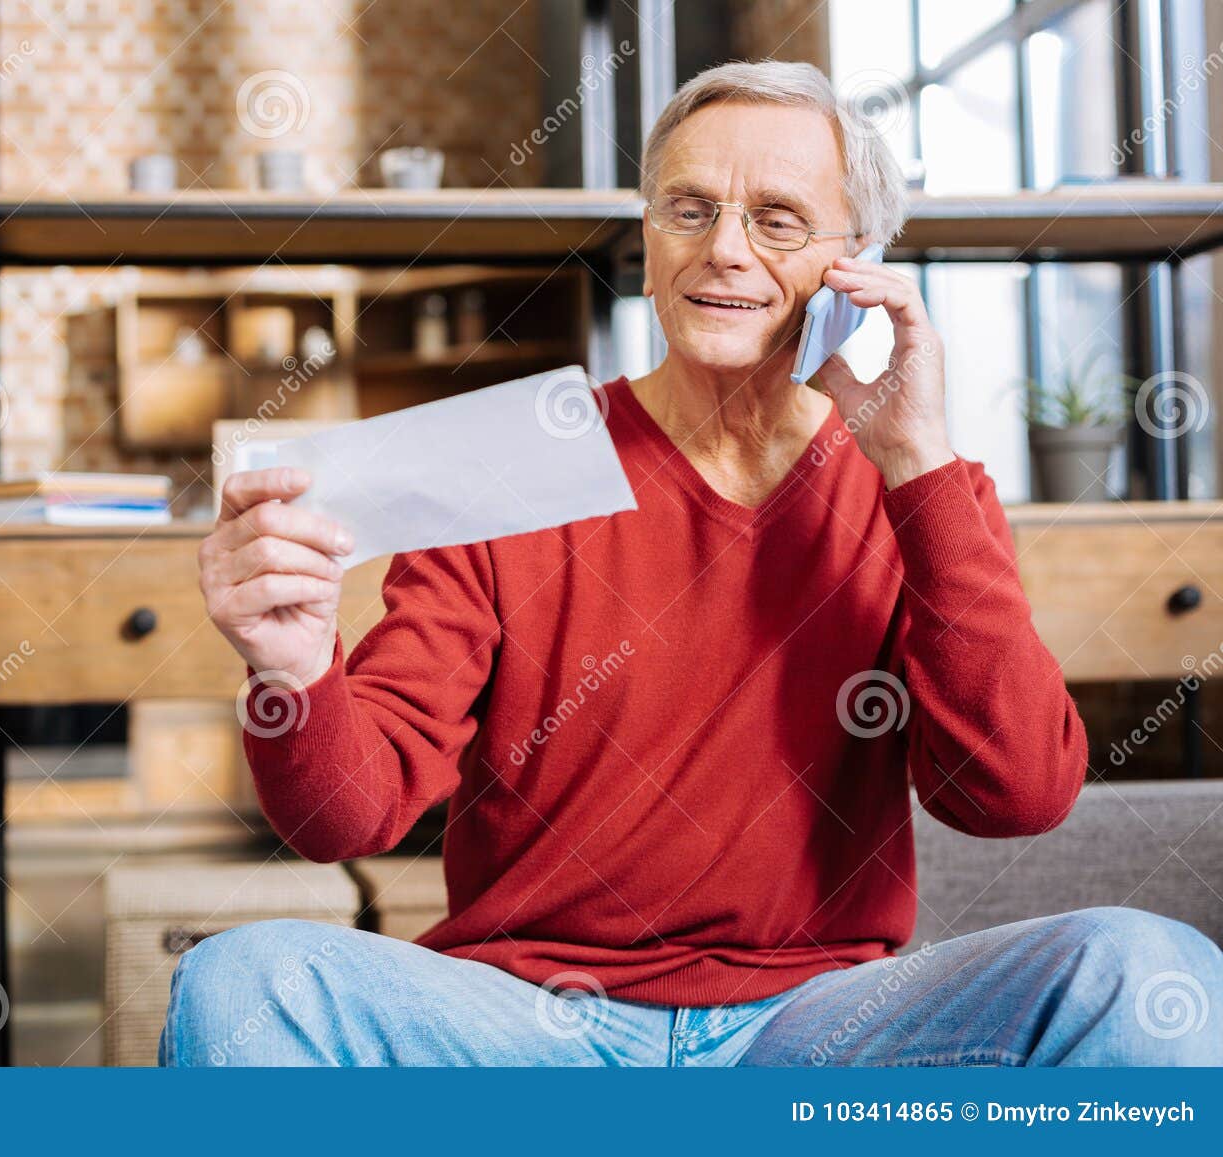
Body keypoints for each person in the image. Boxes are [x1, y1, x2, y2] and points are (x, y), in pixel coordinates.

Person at [169, 59, 1223, 1066]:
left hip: (812, 1028)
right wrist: (294, 668)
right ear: (649, 234)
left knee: (1147, 968)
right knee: (238, 981)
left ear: (852, 262)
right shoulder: (508, 464)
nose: (724, 248)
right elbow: (349, 815)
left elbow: (1018, 795)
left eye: (776, 219)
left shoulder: (920, 489)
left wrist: (917, 466)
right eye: (688, 209)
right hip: (534, 1023)